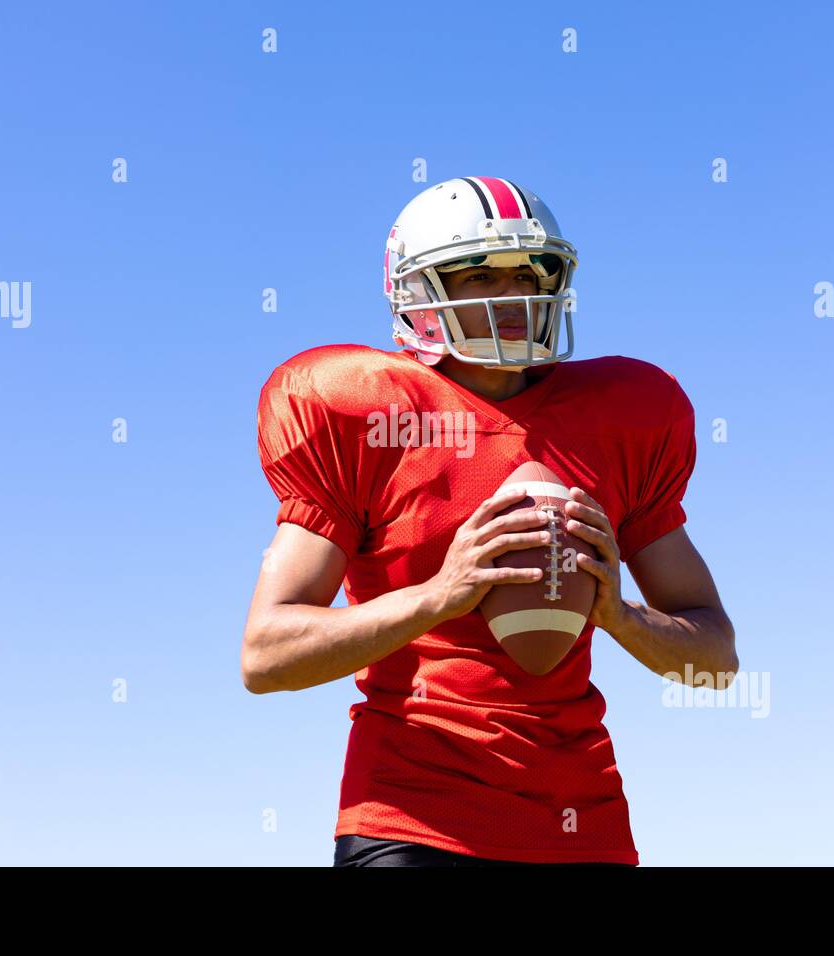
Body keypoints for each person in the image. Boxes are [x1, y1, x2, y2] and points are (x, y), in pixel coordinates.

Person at [245, 176, 736, 867]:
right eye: (479, 273)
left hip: (584, 823)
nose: (513, 292)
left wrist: (621, 616)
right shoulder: (366, 411)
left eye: (529, 270)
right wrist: (443, 593)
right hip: (411, 819)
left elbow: (716, 661)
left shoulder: (625, 417)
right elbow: (266, 656)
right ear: (418, 293)